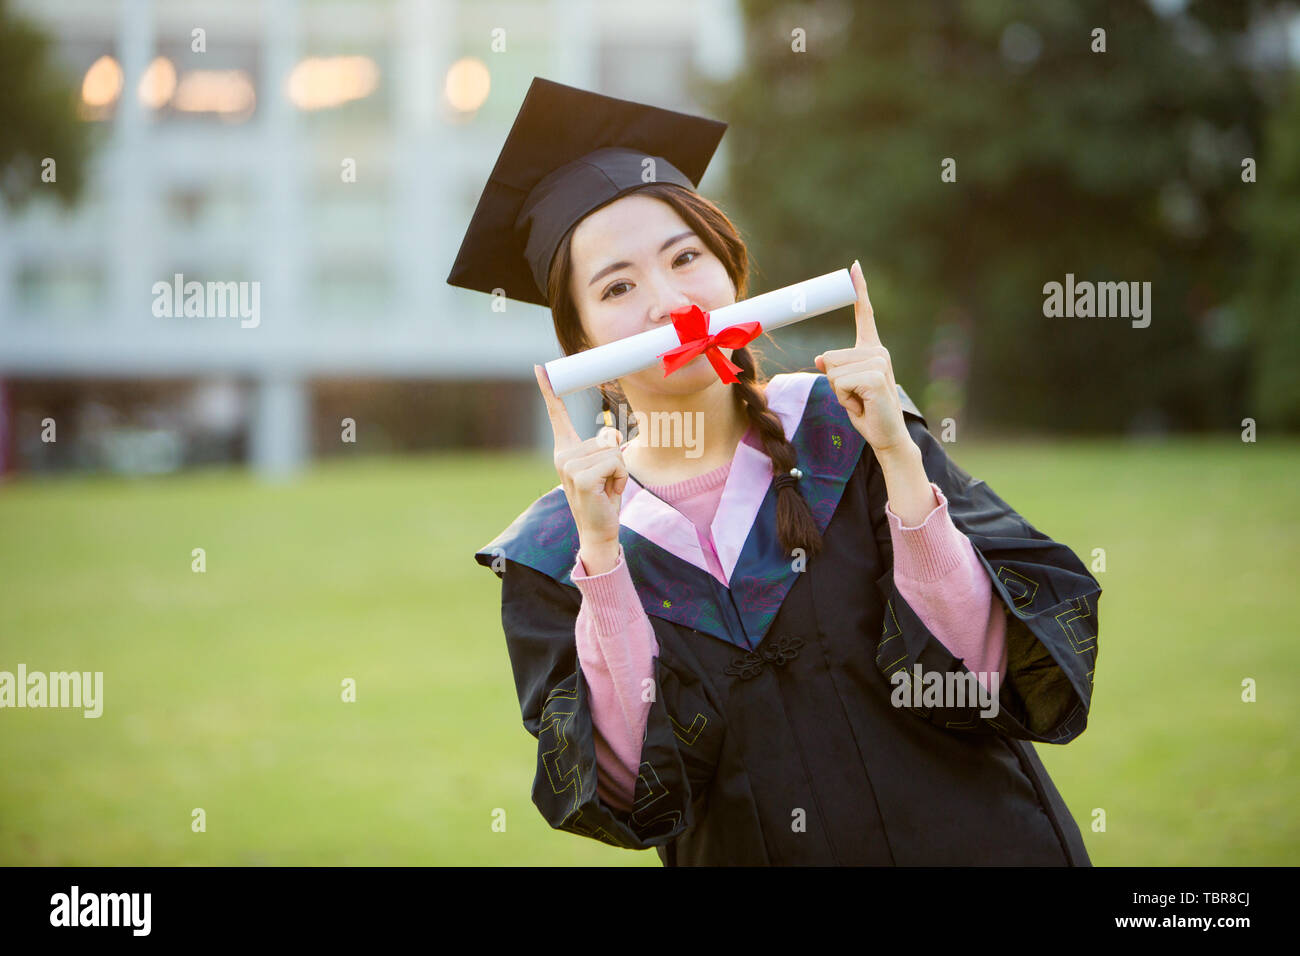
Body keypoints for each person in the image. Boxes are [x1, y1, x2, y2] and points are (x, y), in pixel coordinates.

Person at [450, 77, 1102, 866]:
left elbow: (992, 678)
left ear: (733, 276)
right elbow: (630, 794)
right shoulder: (561, 552)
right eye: (618, 286)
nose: (667, 304)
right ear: (583, 346)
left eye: (685, 257)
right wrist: (604, 562)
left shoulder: (852, 434)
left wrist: (901, 465)